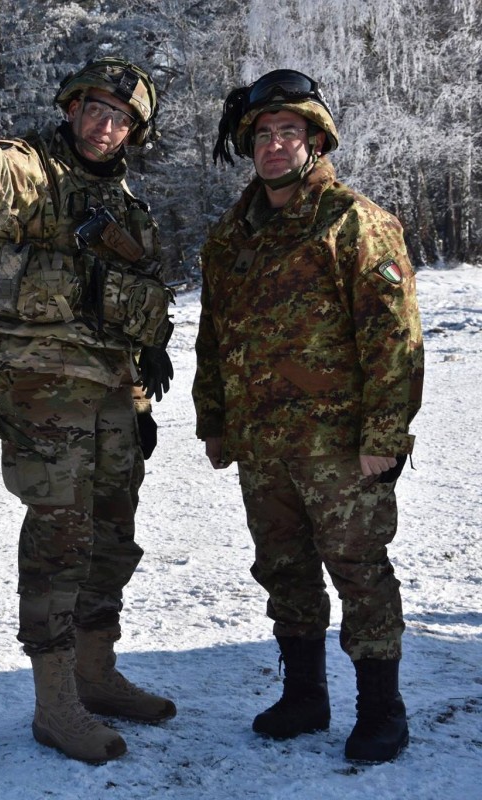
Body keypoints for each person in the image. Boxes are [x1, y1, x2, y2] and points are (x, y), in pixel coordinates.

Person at [0, 57, 176, 764]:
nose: (105, 126)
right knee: (60, 537)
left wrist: (141, 381)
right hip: (44, 387)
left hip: (108, 389)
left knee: (113, 532)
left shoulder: (126, 205)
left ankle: (96, 673)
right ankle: (55, 703)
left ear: (134, 133)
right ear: (71, 110)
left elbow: (124, 299)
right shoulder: (36, 172)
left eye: (121, 118)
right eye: (94, 110)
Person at [196, 69, 424, 764]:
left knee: (358, 570)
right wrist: (216, 421)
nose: (274, 145)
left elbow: (395, 339)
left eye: (288, 132)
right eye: (263, 134)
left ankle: (382, 708)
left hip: (341, 447)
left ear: (316, 140)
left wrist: (385, 436)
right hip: (264, 445)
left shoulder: (355, 222)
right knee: (283, 570)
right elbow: (213, 334)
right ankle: (305, 696)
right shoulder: (231, 238)